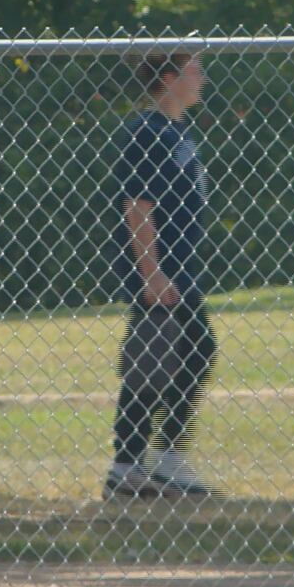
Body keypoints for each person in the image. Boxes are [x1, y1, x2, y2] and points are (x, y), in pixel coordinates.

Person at [105, 52, 217, 500]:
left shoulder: (176, 131)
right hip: (159, 269)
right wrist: (151, 273)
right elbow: (137, 206)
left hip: (177, 267)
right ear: (169, 79)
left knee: (187, 354)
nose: (202, 78)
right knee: (169, 358)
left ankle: (149, 460)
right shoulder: (148, 132)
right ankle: (137, 463)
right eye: (194, 71)